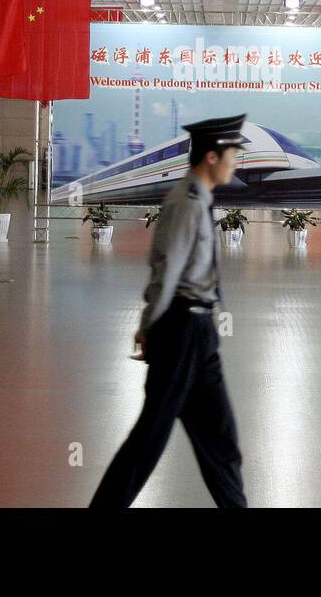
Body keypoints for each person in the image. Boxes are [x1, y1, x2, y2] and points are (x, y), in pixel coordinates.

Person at [90, 114, 249, 509]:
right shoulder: (186, 203)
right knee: (149, 439)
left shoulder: (200, 199)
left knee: (220, 439)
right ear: (211, 157)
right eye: (233, 154)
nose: (237, 162)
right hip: (180, 329)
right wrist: (148, 327)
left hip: (200, 330)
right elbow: (168, 271)